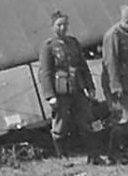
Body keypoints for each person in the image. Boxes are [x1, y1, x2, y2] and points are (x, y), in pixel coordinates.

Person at [38, 11, 96, 157]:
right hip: (61, 92)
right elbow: (45, 73)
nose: (63, 28)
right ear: (53, 27)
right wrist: (50, 95)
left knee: (86, 120)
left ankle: (93, 155)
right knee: (60, 124)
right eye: (59, 25)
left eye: (65, 24)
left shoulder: (73, 42)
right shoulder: (49, 47)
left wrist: (90, 86)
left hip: (78, 88)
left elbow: (82, 66)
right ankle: (62, 155)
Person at [101, 4, 128, 163]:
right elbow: (111, 63)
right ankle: (114, 153)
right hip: (117, 83)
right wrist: (115, 86)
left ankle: (122, 149)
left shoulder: (125, 35)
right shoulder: (113, 35)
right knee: (122, 118)